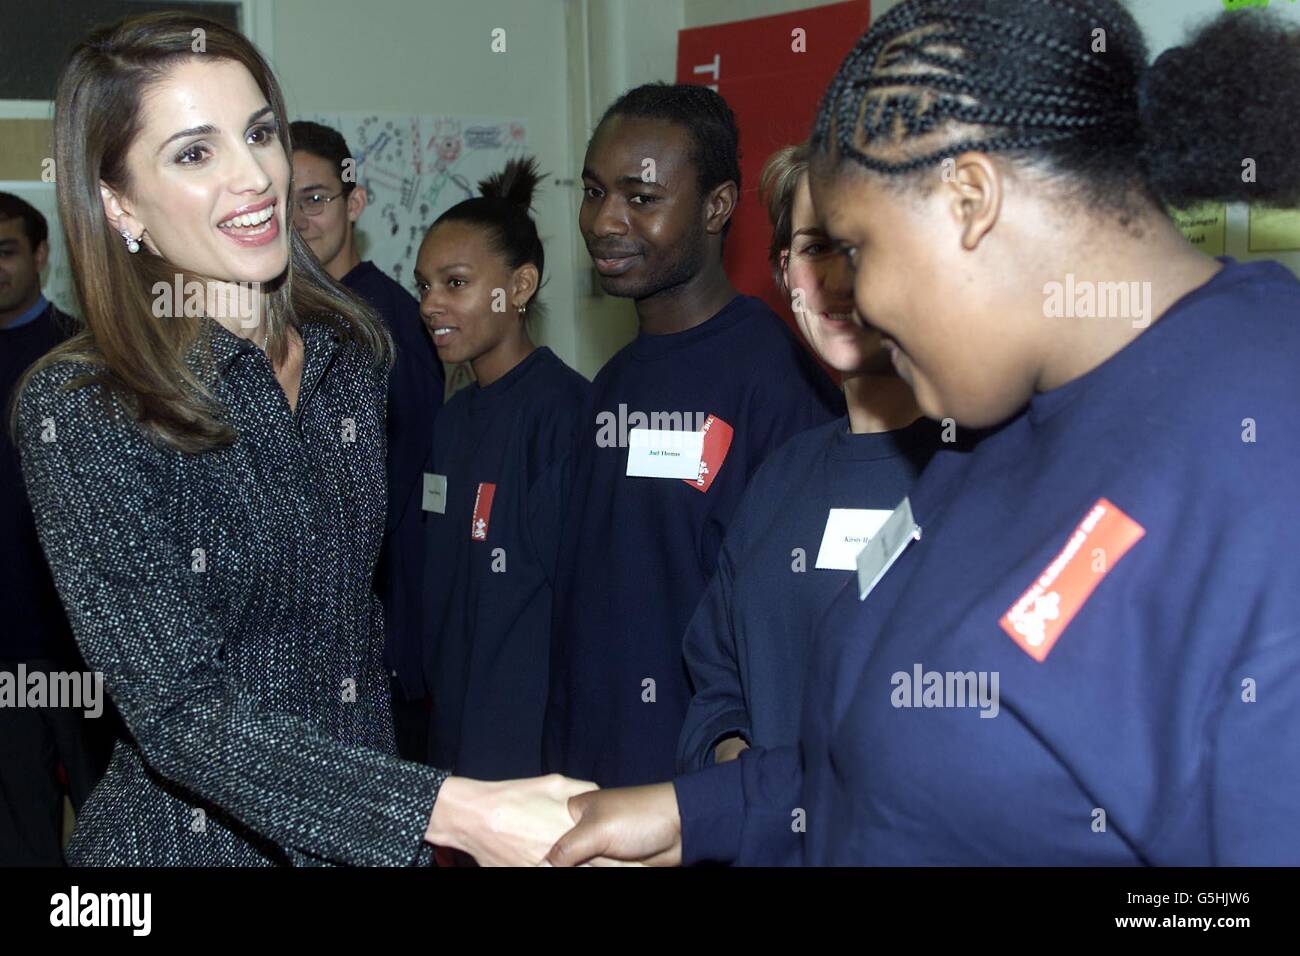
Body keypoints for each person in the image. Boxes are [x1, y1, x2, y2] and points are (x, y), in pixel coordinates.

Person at [547, 0, 1300, 867]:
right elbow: (892, 763)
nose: (851, 302)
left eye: (858, 250)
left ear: (970, 200)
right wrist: (694, 816)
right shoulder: (989, 433)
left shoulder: (1261, 445)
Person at [11, 12, 592, 867]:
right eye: (194, 153)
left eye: (259, 134)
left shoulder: (349, 354)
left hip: (360, 839)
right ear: (118, 201)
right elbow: (180, 713)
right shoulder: (82, 406)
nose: (254, 178)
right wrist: (449, 810)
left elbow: (353, 632)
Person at [543, 83, 845, 789]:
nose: (604, 221)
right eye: (593, 192)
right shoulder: (611, 385)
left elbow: (795, 626)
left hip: (704, 794)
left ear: (716, 207)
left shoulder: (780, 383)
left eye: (641, 198)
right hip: (593, 778)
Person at [675, 143, 943, 794]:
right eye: (815, 248)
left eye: (863, 244)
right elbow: (716, 672)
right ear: (785, 274)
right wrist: (739, 767)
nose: (838, 277)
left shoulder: (980, 469)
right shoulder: (781, 476)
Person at [416, 156, 589, 781]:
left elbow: (578, 610)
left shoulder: (565, 416)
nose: (432, 304)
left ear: (518, 287)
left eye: (455, 283)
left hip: (527, 751)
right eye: (424, 286)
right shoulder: (452, 419)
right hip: (452, 738)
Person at [291, 120, 443, 762]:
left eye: (315, 198)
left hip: (374, 635)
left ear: (354, 202)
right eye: (278, 199)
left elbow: (399, 488)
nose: (297, 217)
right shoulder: (282, 315)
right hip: (305, 630)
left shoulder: (385, 321)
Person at [0, 192, 101, 865]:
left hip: (85, 647)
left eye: (6, 251)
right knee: (21, 837)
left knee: (106, 827)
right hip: (2, 648)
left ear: (40, 257)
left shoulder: (83, 357)